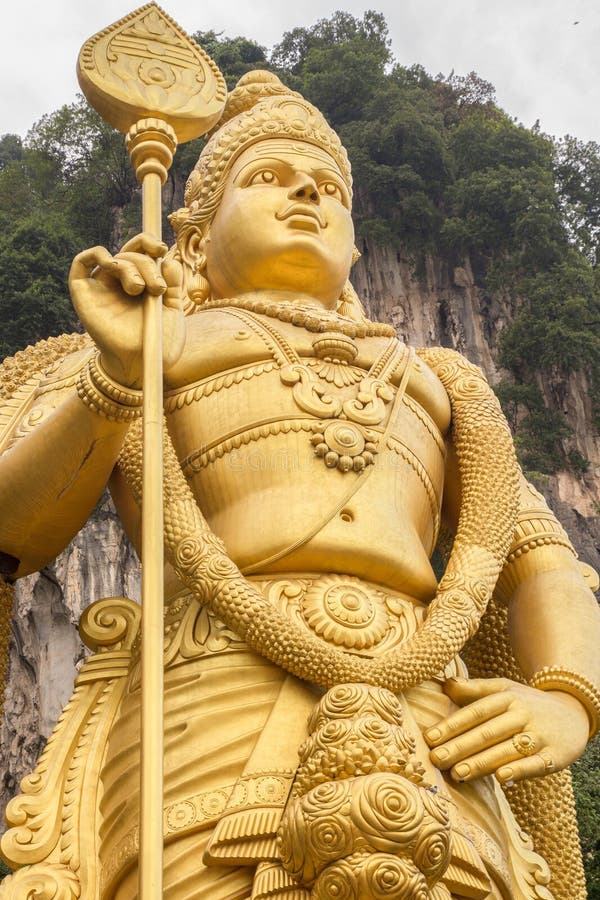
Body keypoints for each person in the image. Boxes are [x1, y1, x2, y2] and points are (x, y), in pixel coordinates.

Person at [0, 70, 599, 900]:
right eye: (267, 179)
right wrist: (111, 376)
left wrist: (568, 698)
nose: (306, 194)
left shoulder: (437, 382)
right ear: (197, 237)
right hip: (209, 691)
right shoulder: (147, 341)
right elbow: (12, 533)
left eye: (327, 188)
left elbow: (538, 557)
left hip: (427, 708)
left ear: (356, 248)